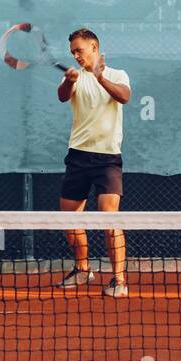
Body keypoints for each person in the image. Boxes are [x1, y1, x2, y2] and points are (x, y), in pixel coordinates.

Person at [56, 27, 132, 298]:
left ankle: (119, 280)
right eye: (72, 52)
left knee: (109, 220)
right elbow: (63, 96)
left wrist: (99, 77)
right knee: (69, 219)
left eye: (80, 50)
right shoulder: (75, 77)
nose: (76, 55)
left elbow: (123, 96)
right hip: (78, 156)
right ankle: (82, 269)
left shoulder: (117, 74)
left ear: (95, 48)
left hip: (107, 159)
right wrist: (68, 81)